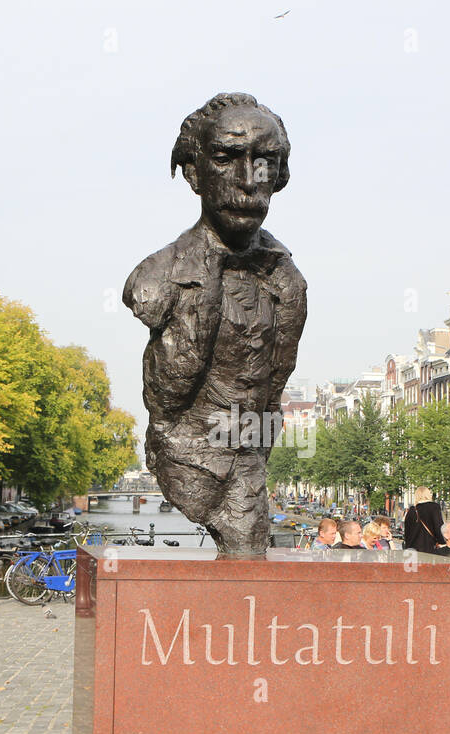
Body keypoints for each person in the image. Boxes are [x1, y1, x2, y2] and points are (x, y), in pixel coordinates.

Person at [124, 92, 306, 555]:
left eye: (265, 161)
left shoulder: (288, 282)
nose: (249, 181)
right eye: (227, 158)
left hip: (249, 465)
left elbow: (274, 388)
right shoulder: (157, 278)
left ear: (279, 176)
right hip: (189, 459)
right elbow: (168, 396)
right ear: (194, 172)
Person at [403, 486, 445, 555]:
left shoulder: (412, 510)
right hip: (428, 547)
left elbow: (407, 532)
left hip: (412, 549)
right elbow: (438, 526)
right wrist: (442, 542)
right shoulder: (434, 507)